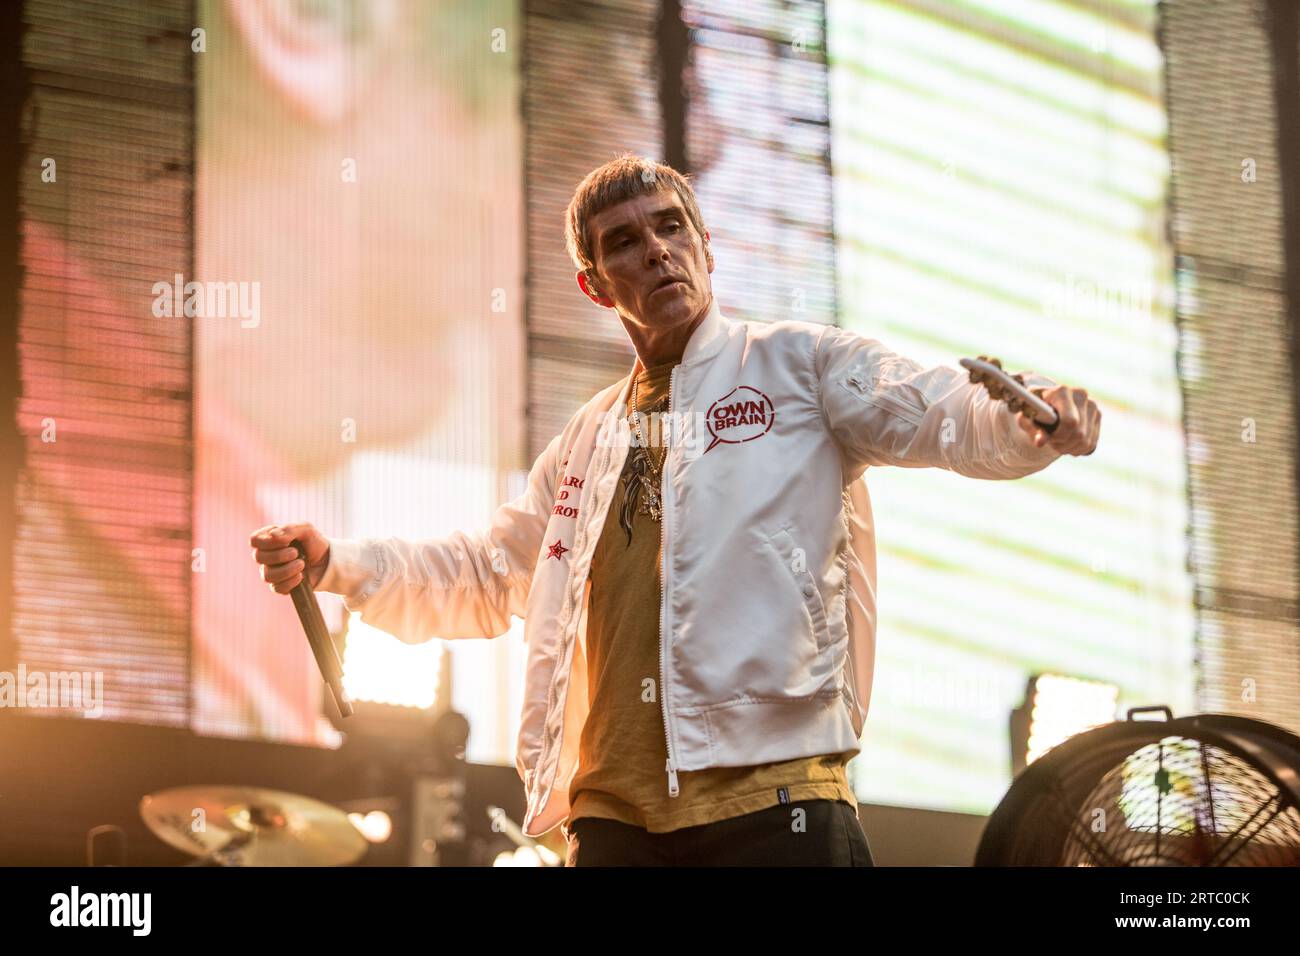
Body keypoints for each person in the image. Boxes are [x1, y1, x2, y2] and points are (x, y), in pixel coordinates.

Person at [250, 155, 1102, 866]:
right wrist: (337, 564)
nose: (656, 252)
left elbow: (935, 409)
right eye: (625, 242)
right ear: (594, 285)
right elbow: (487, 571)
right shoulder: (589, 439)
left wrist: (1031, 420)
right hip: (614, 826)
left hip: (778, 807)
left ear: (706, 248)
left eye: (671, 229)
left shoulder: (797, 366)